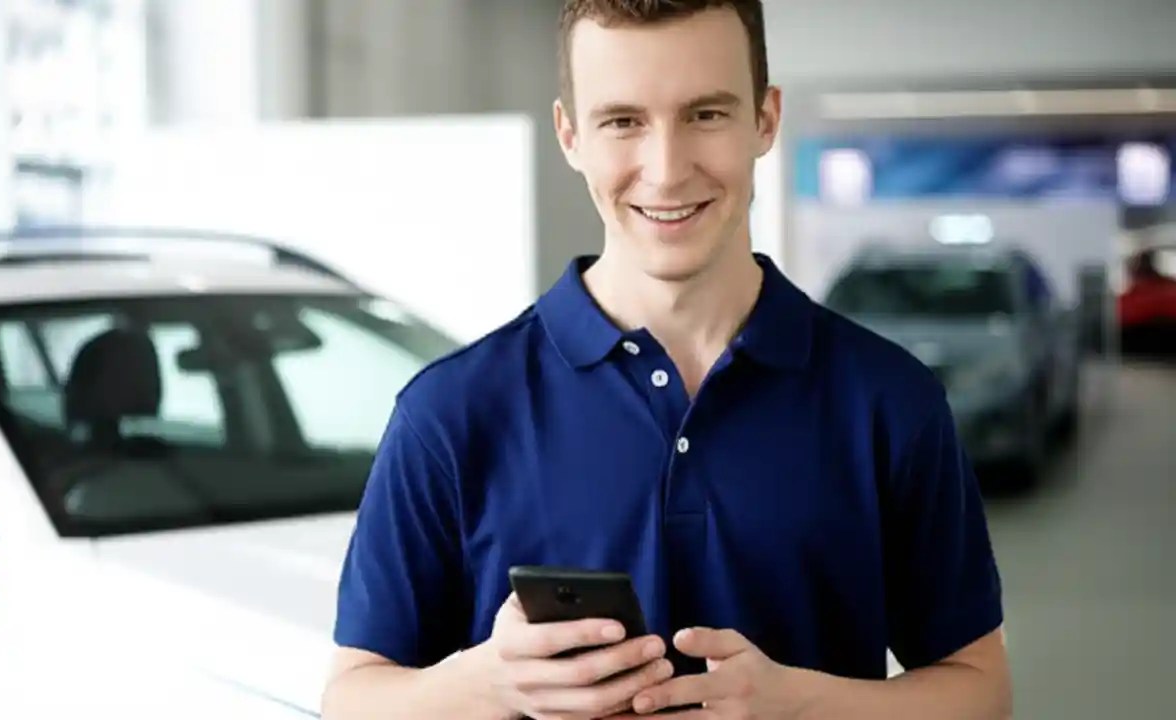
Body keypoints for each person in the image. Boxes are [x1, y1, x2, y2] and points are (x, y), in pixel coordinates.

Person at [321, 1, 1012, 718]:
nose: (667, 169)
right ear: (571, 134)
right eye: (623, 121)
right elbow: (352, 697)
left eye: (706, 115)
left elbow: (980, 689)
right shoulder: (451, 413)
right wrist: (492, 682)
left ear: (765, 119)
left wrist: (803, 706)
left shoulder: (889, 401)